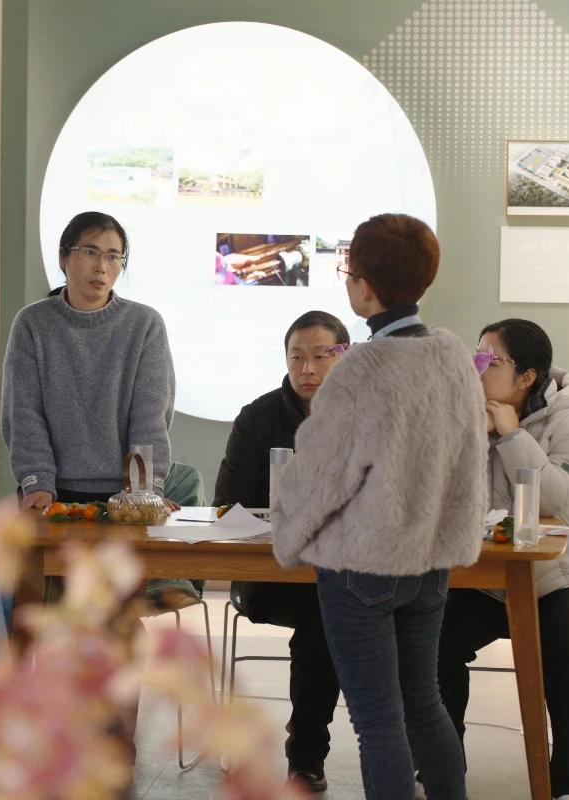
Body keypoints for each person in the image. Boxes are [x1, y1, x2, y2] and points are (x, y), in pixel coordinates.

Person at [271, 213, 487, 800]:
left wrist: (289, 538)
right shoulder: (452, 356)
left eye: (350, 272)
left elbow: (320, 475)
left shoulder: (361, 369)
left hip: (362, 567)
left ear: (364, 287)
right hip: (431, 563)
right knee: (425, 704)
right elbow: (471, 457)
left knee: (378, 721)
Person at [437, 319, 569, 800]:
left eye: (491, 360)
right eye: (477, 355)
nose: (478, 367)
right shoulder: (461, 416)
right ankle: (442, 766)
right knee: (434, 640)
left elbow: (551, 498)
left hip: (560, 578)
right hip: (485, 579)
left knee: (566, 651)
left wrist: (511, 436)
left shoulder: (565, 423)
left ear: (527, 376)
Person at [214, 310, 348, 794]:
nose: (307, 369)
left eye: (320, 356)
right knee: (322, 615)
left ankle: (320, 750)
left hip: (348, 573)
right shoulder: (258, 417)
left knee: (335, 606)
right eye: (297, 358)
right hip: (271, 573)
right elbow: (227, 506)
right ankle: (307, 756)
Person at [2, 210, 175, 511]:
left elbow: (150, 418)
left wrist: (145, 491)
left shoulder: (145, 324)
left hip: (127, 497)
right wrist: (38, 483)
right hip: (51, 495)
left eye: (113, 257)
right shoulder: (32, 323)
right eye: (90, 252)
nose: (101, 267)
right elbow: (24, 414)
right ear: (64, 257)